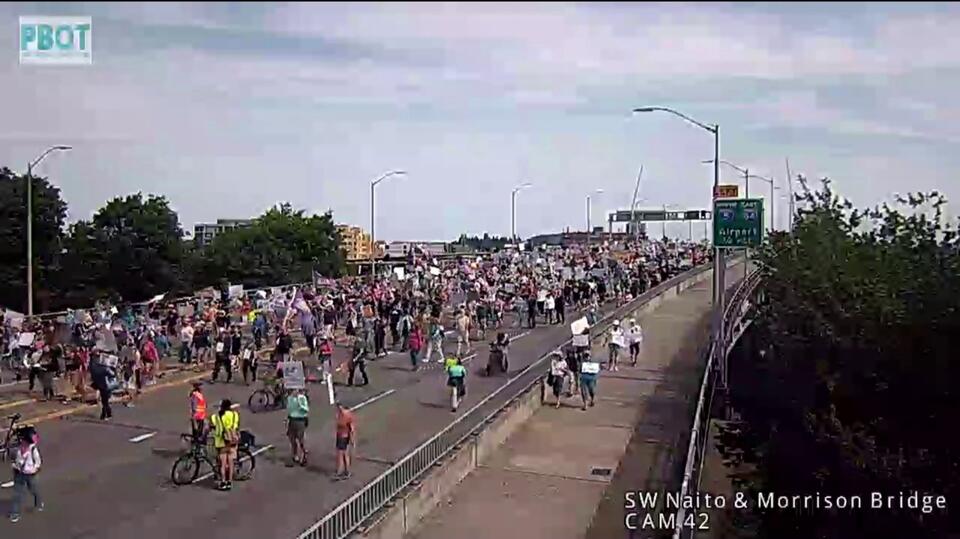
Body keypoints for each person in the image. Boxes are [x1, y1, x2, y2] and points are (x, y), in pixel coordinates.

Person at [8, 425, 42, 523]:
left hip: (31, 475)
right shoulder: (17, 449)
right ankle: (15, 513)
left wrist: (33, 469)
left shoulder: (32, 449)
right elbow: (14, 459)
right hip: (19, 474)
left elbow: (38, 462)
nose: (23, 443)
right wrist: (15, 465)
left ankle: (39, 503)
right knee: (17, 494)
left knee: (33, 490)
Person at [209, 399, 240, 491]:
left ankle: (223, 482)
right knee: (230, 463)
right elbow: (235, 426)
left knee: (222, 463)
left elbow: (212, 423)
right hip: (232, 440)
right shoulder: (235, 415)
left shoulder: (217, 416)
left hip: (221, 442)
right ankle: (229, 482)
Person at [286, 388, 309, 467]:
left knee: (301, 440)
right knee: (292, 439)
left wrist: (300, 404)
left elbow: (306, 410)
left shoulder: (302, 398)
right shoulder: (289, 398)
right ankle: (295, 456)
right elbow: (289, 409)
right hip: (292, 420)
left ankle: (304, 455)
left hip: (300, 420)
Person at [334, 402, 355, 481]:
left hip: (343, 437)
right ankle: (346, 471)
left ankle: (340, 471)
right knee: (344, 454)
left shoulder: (346, 415)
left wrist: (352, 439)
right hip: (341, 436)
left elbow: (351, 428)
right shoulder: (340, 414)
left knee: (341, 454)